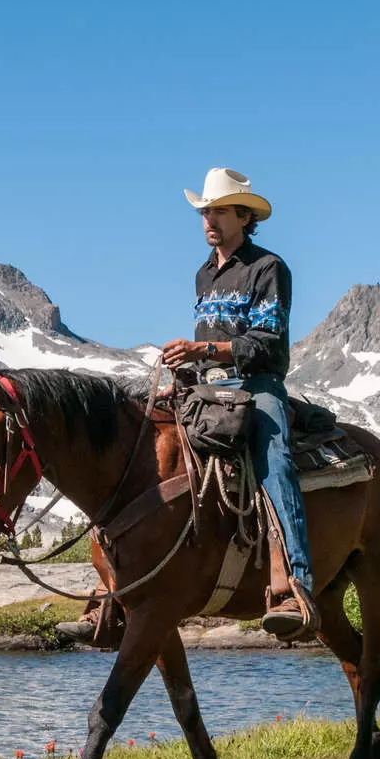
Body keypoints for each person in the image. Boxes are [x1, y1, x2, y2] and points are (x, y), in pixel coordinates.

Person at [160, 167, 315, 640]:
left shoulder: (268, 268)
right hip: (207, 388)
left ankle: (296, 581)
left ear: (245, 216)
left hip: (258, 386)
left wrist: (204, 350)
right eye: (205, 211)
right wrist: (184, 372)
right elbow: (207, 346)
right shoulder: (203, 275)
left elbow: (269, 344)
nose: (209, 219)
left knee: (275, 461)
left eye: (218, 210)